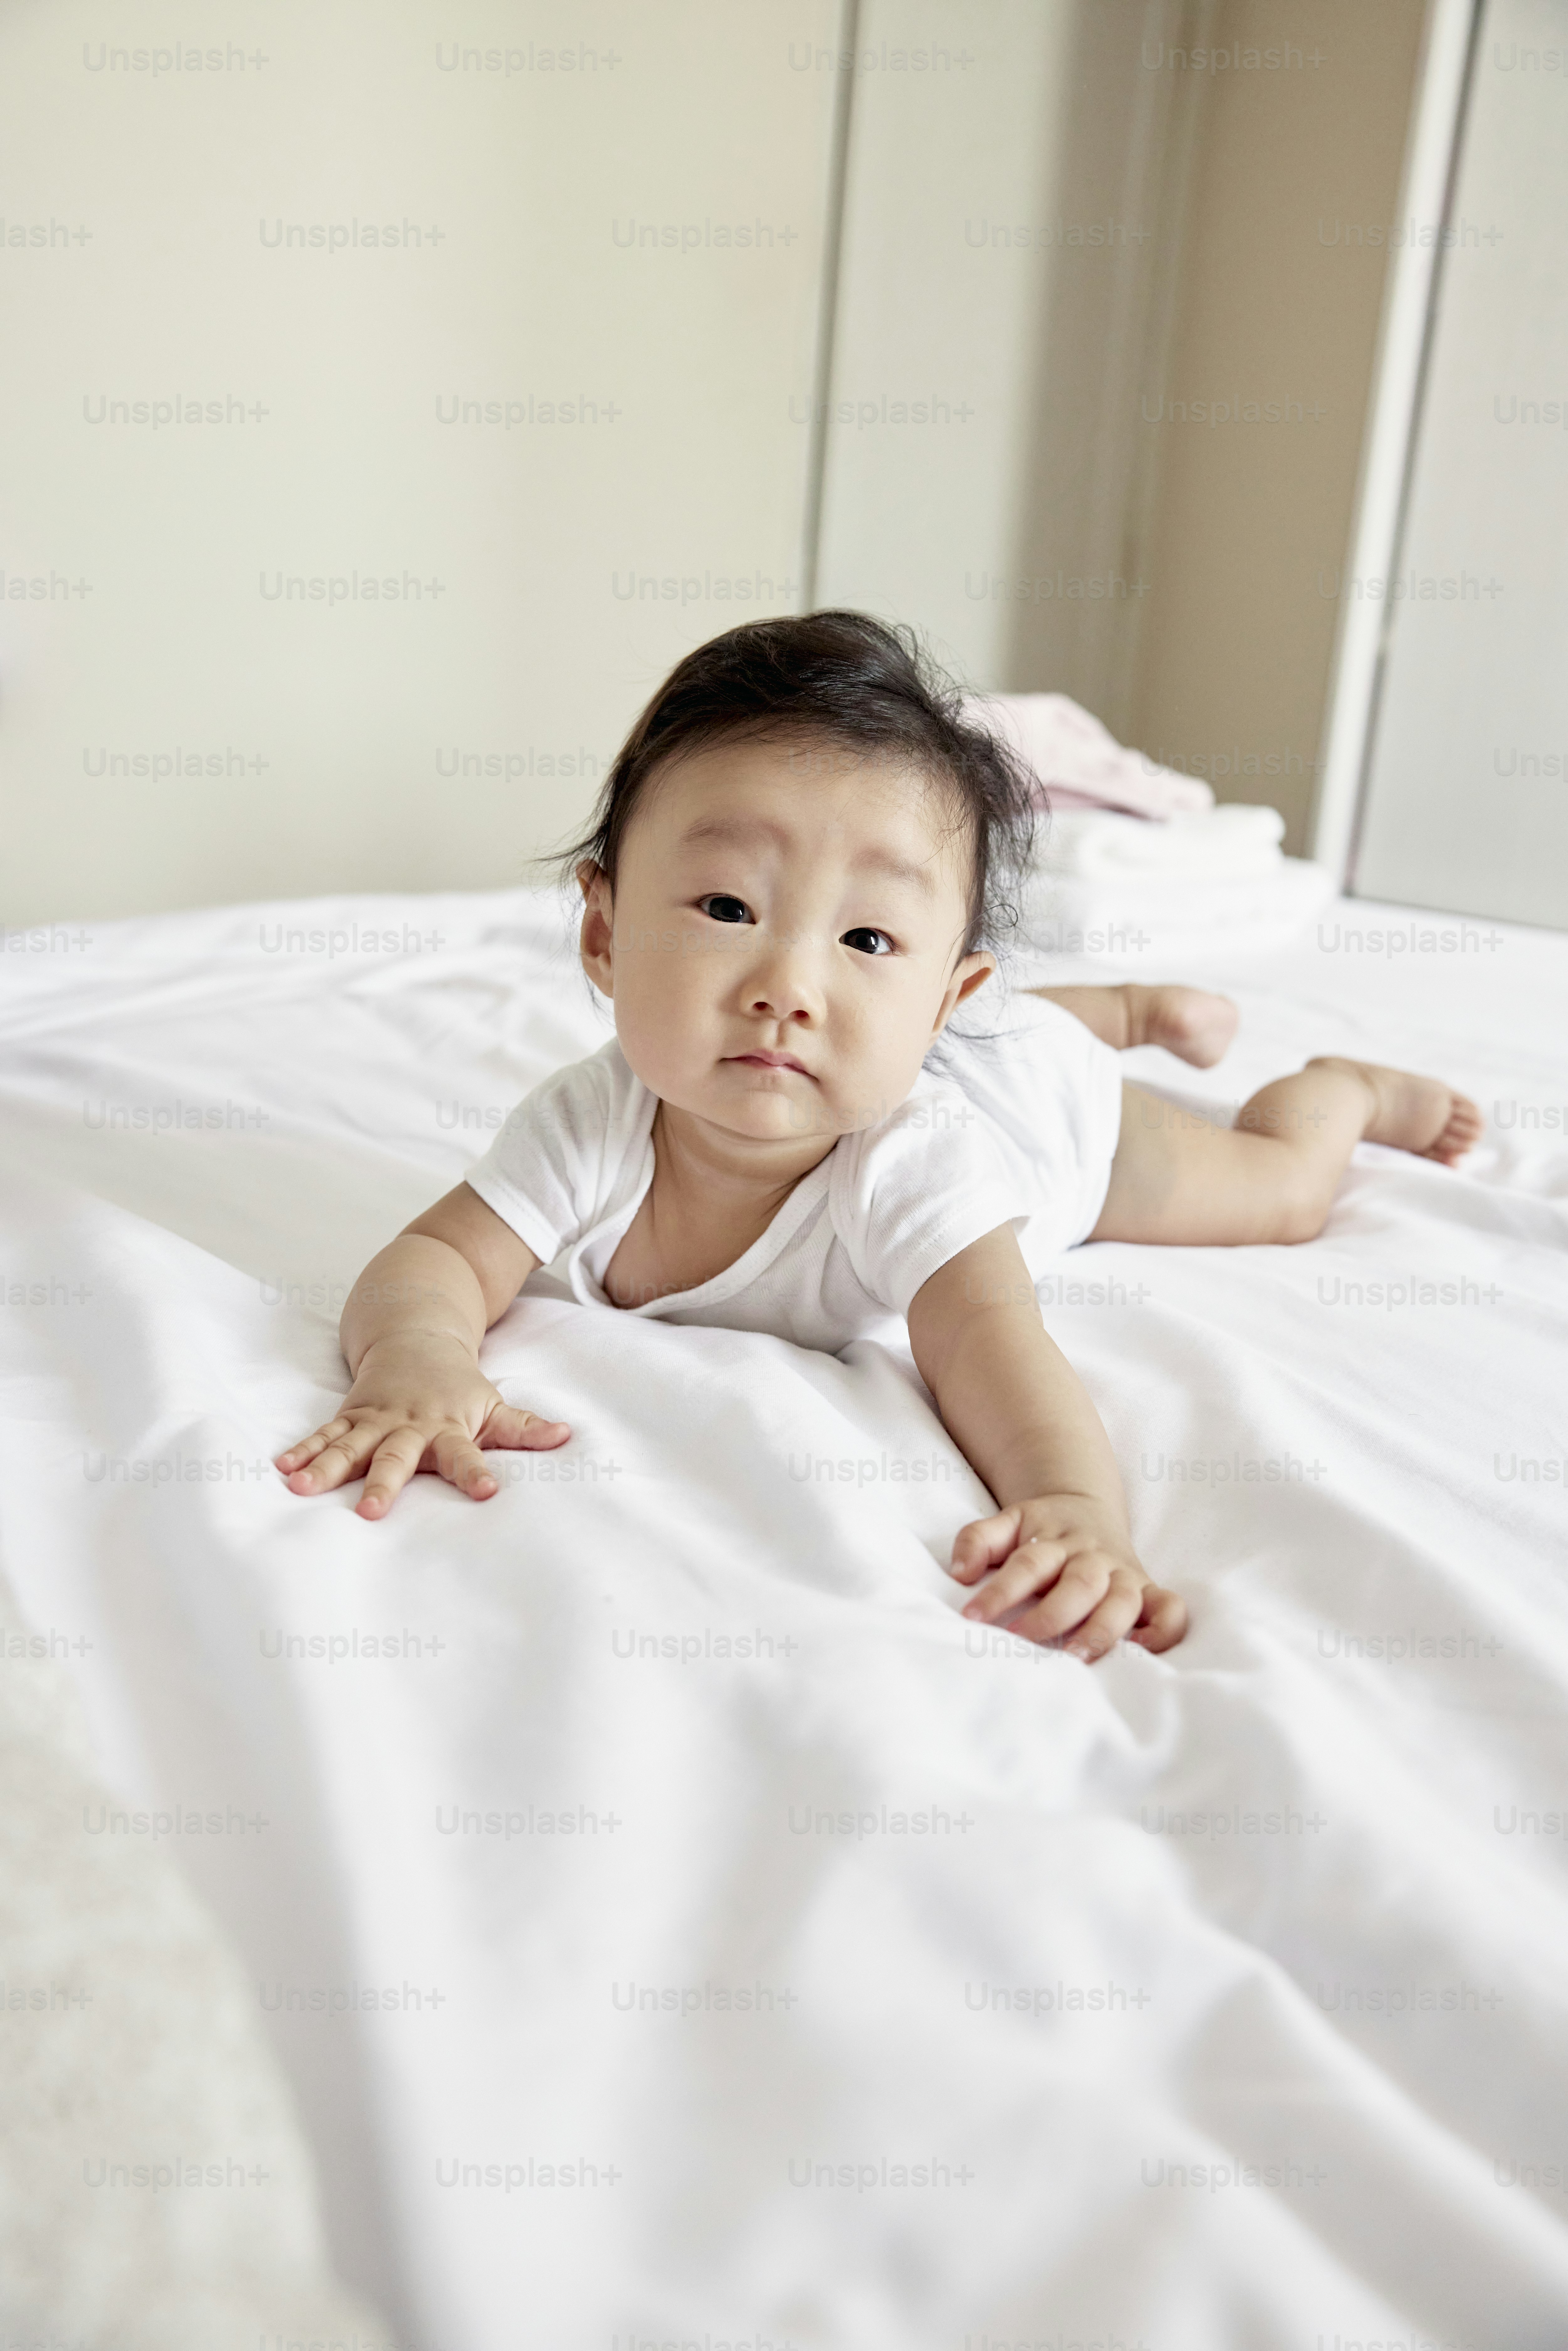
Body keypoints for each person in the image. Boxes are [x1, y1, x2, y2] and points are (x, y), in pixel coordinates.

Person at [275, 614, 1479, 1663]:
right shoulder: (594, 1118)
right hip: (960, 1041)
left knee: (1274, 1191)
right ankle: (1115, 1009)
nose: (785, 986)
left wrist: (1071, 1507)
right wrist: (418, 1363)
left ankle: (1340, 1091)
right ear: (601, 934)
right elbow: (432, 1262)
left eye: (865, 939)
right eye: (727, 908)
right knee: (941, 1035)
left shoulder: (913, 1160)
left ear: (942, 988)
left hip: (1051, 1119)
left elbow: (994, 1350)